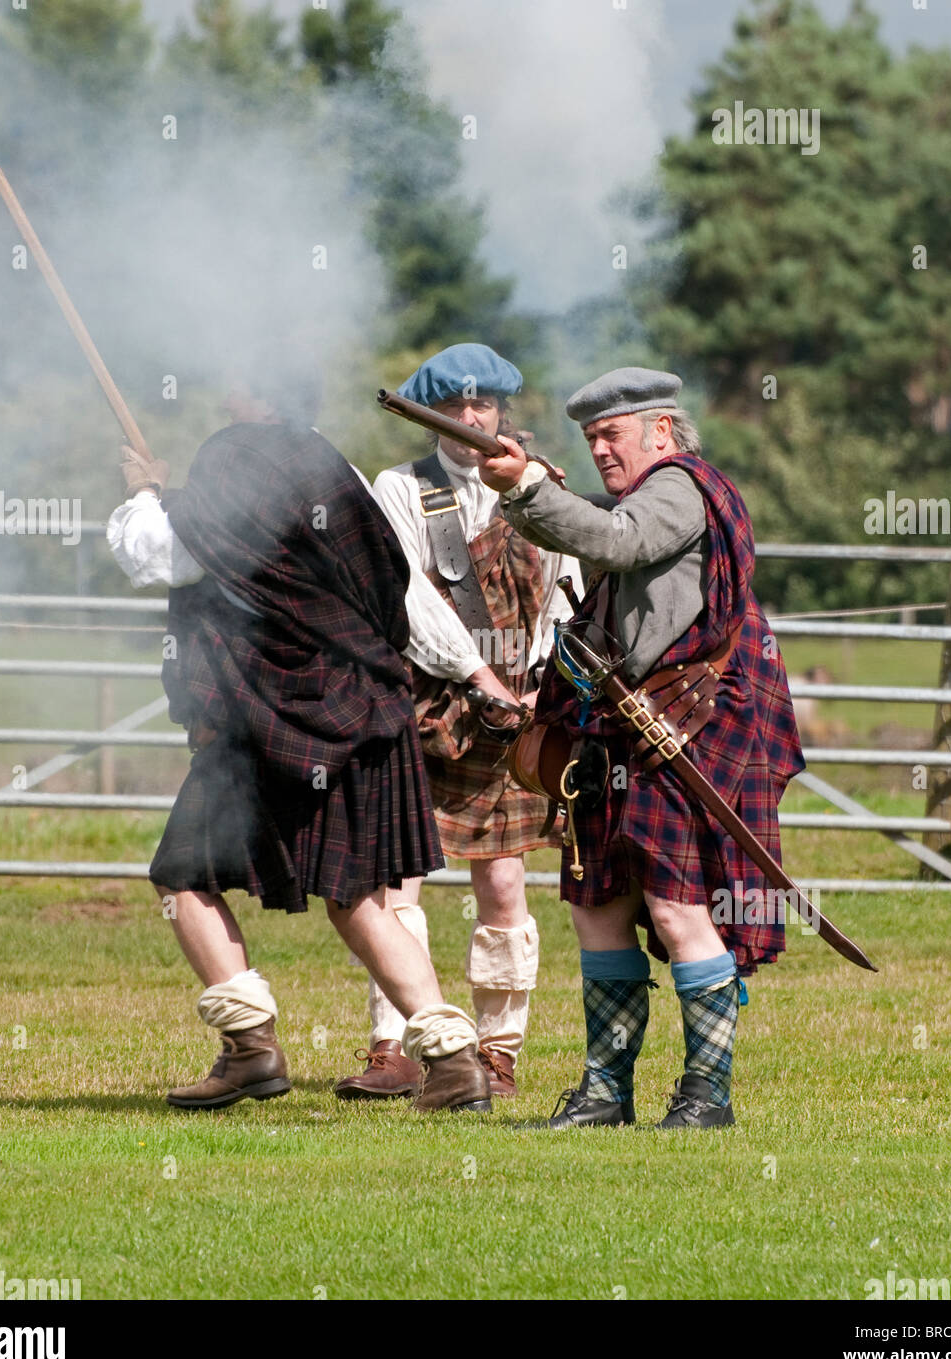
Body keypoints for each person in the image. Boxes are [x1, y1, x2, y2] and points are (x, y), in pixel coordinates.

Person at [106, 375, 491, 1114]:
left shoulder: (234, 458)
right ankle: (452, 1061)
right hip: (359, 704)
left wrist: (149, 496)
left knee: (183, 874)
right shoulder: (330, 466)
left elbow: (159, 557)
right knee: (358, 901)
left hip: (269, 718)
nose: (224, 393)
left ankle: (250, 1050)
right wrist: (175, 496)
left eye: (237, 379)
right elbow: (382, 583)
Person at [477, 367, 804, 1128]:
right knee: (599, 904)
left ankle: (706, 1096)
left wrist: (528, 485)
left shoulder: (679, 488)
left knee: (677, 905)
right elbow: (592, 526)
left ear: (660, 429)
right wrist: (526, 487)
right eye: (590, 438)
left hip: (682, 727)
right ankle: (604, 1091)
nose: (599, 449)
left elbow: (614, 540)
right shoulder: (648, 496)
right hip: (623, 726)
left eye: (610, 434)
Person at [333, 344, 582, 1101]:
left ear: (503, 409)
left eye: (482, 405)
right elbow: (406, 599)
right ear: (430, 410)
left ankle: (498, 1054)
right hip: (429, 706)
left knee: (504, 884)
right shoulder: (399, 489)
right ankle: (401, 1047)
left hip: (521, 715)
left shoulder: (539, 486)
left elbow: (565, 588)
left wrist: (540, 680)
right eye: (453, 406)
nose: (469, 418)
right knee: (394, 883)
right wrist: (476, 676)